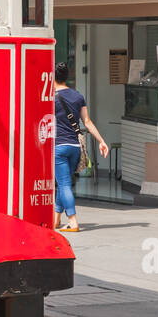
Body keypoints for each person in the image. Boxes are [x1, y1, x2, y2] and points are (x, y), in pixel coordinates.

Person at [53, 62, 108, 232]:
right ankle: (55, 220)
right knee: (64, 183)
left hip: (59, 146)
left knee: (63, 184)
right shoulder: (78, 96)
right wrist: (101, 141)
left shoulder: (50, 97)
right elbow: (88, 122)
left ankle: (73, 221)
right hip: (75, 147)